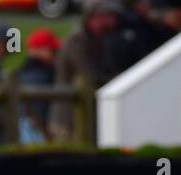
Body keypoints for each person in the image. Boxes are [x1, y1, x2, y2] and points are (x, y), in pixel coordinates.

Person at [52, 0, 130, 140]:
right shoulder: (78, 40)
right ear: (95, 17)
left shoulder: (97, 39)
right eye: (109, 16)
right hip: (69, 120)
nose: (113, 20)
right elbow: (87, 74)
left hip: (84, 116)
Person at [16, 27, 58, 142]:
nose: (55, 55)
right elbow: (38, 109)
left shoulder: (26, 70)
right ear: (37, 49)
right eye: (52, 51)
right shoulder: (39, 74)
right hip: (33, 128)